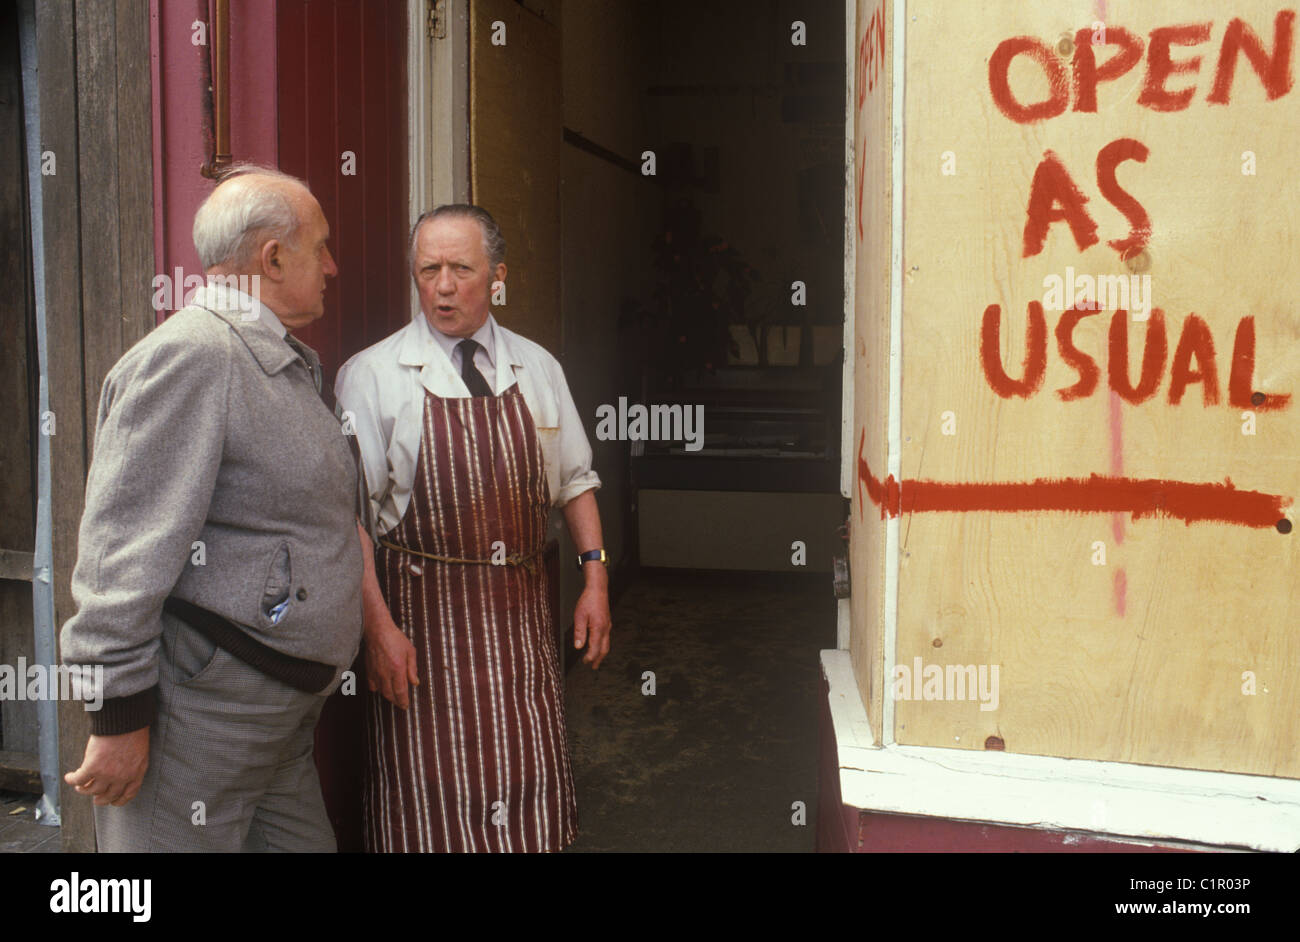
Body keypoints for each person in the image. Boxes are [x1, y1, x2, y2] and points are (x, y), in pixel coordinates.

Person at [60, 165, 365, 852]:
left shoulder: (272, 356)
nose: (333, 265)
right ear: (274, 256)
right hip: (208, 715)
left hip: (276, 714)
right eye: (321, 246)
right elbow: (122, 547)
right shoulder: (194, 355)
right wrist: (118, 715)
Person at [336, 204, 612, 853]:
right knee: (429, 811)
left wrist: (595, 579)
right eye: (429, 269)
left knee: (529, 804)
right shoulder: (371, 377)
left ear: (497, 277)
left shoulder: (538, 368)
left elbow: (575, 481)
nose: (443, 286)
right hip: (421, 636)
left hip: (520, 636)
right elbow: (348, 521)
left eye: (461, 268)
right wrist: (377, 633)